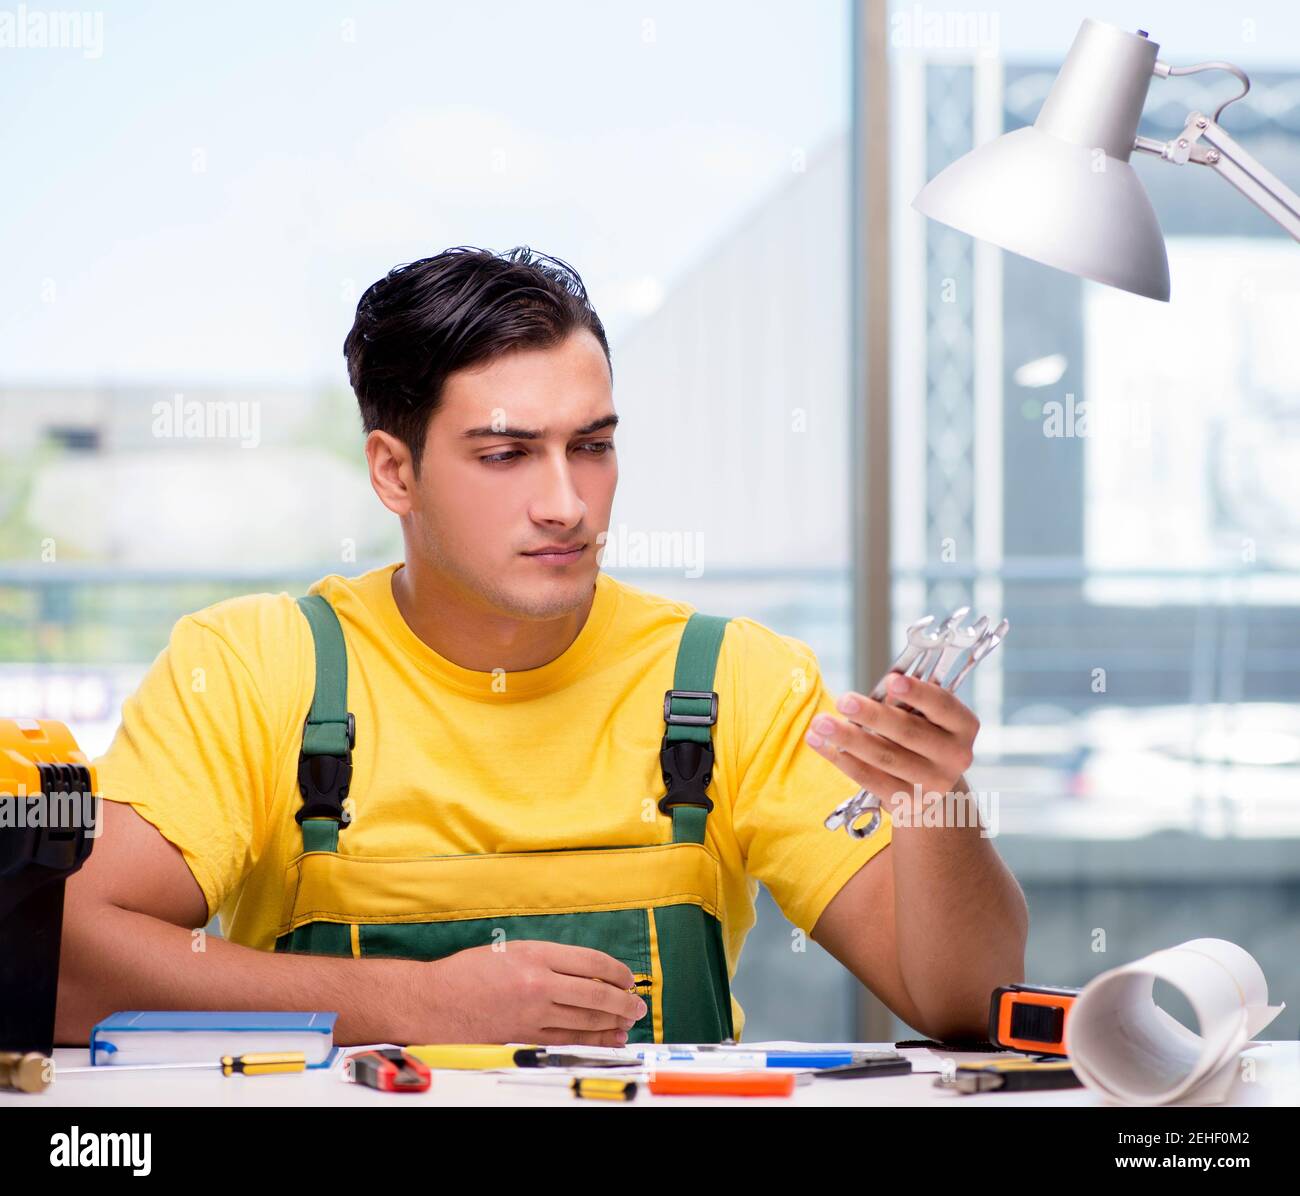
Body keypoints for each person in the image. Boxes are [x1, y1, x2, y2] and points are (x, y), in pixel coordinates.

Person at [57, 246, 1026, 1047]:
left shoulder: (732, 678)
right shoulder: (256, 668)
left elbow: (962, 1003)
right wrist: (417, 1006)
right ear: (394, 471)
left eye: (592, 445)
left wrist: (933, 799)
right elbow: (68, 964)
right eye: (506, 453)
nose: (566, 502)